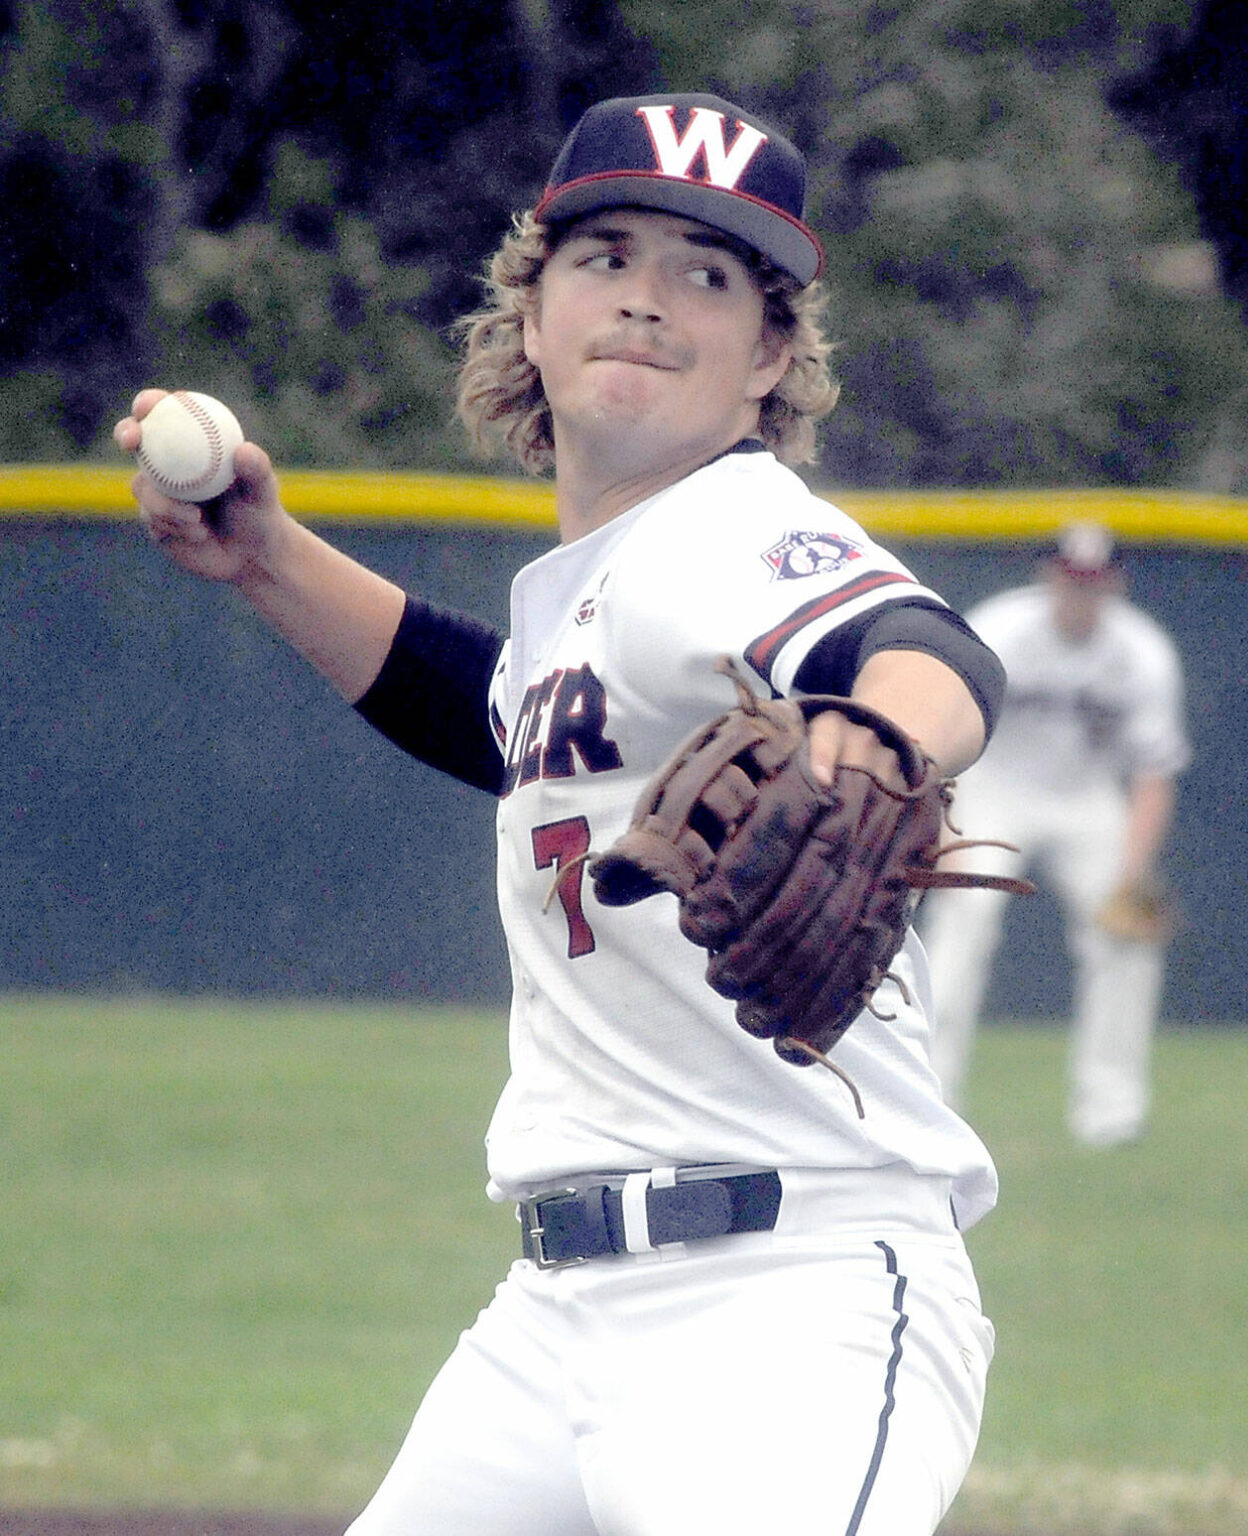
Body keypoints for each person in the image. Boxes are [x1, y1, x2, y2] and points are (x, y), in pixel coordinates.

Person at [118, 93, 1009, 1536]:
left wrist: (871, 739)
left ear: (768, 356)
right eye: (605, 259)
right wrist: (270, 558)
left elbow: (932, 650)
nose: (647, 301)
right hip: (553, 1322)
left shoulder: (728, 531)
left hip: (785, 1308)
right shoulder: (599, 592)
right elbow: (493, 713)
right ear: (528, 314)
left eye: (706, 276)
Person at [921, 522, 1190, 1148]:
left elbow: (1154, 773)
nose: (1080, 594)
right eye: (1072, 580)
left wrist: (1132, 872)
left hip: (1087, 798)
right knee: (963, 927)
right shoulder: (1002, 629)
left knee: (1126, 941)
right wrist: (941, 823)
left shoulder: (1142, 652)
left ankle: (1112, 1112)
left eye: (1094, 582)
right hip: (993, 790)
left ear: (1116, 585)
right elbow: (943, 731)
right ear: (1049, 578)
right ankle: (933, 1096)